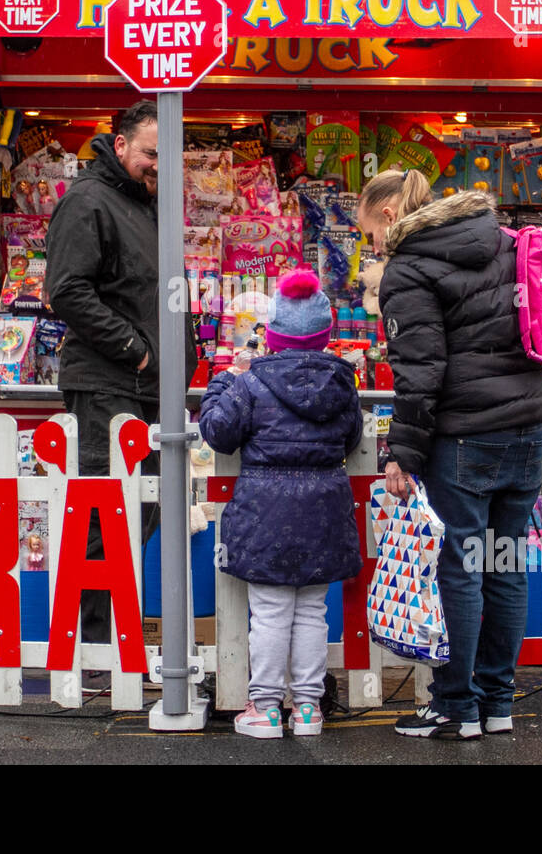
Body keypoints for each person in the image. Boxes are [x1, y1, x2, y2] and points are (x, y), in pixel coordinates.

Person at [358, 168, 542, 740]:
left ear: (390, 217)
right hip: (525, 425)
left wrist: (403, 454)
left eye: (370, 235)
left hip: (466, 435)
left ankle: (455, 706)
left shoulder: (409, 270)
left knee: (462, 569)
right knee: (505, 564)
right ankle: (497, 702)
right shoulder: (500, 241)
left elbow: (421, 374)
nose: (372, 249)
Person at [45, 100, 196, 655]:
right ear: (122, 144)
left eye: (169, 156)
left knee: (138, 518)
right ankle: (91, 653)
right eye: (152, 153)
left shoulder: (147, 205)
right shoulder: (88, 201)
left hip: (146, 388)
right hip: (110, 388)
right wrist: (136, 351)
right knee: (104, 522)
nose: (160, 164)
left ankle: (112, 648)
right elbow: (67, 290)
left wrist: (183, 348)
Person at [198, 268, 363, 738]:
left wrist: (220, 383)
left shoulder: (251, 384)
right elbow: (351, 437)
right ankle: (308, 707)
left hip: (266, 512)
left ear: (272, 335)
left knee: (269, 612)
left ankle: (266, 707)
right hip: (325, 509)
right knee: (312, 610)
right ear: (325, 336)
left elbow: (218, 434)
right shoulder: (341, 383)